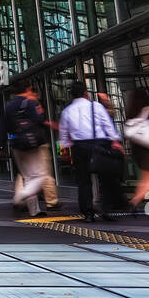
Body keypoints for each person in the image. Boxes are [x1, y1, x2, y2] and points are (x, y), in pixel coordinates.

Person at [59, 81, 123, 223]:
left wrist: (64, 150)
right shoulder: (96, 106)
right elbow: (107, 125)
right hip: (99, 144)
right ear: (85, 93)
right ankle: (106, 209)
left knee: (83, 181)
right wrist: (115, 141)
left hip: (79, 147)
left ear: (72, 95)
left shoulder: (67, 111)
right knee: (106, 178)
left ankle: (88, 213)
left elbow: (63, 134)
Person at [0, 79, 53, 218]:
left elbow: (1, 127)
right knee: (41, 175)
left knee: (27, 177)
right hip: (32, 143)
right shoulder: (30, 102)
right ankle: (21, 195)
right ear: (28, 89)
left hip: (17, 144)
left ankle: (34, 210)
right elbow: (39, 120)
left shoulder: (8, 106)